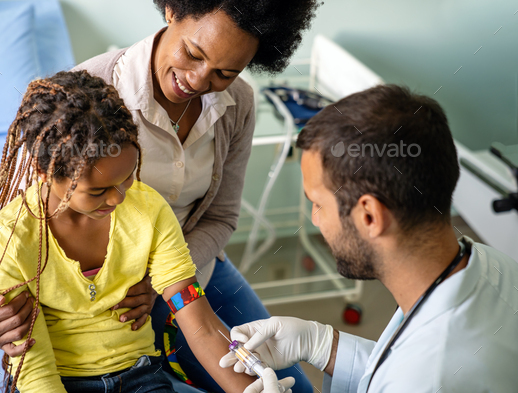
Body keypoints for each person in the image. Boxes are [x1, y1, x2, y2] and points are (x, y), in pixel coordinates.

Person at [0, 1, 320, 392]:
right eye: (193, 53)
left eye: (225, 72)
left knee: (289, 384)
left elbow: (220, 224)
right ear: (173, 10)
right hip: (106, 308)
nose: (199, 79)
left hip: (183, 263)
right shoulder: (78, 98)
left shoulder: (230, 112)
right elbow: (24, 229)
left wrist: (157, 278)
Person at [220, 85, 518, 392]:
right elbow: (400, 365)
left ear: (369, 217)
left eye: (319, 203)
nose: (314, 218)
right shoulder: (493, 264)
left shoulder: (430, 377)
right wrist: (323, 345)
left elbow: (414, 375)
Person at [0, 70, 260, 393]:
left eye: (126, 178)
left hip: (141, 376)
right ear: (44, 172)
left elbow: (200, 323)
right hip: (59, 381)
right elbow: (34, 365)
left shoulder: (148, 209)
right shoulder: (11, 238)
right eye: (98, 191)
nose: (118, 198)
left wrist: (255, 388)